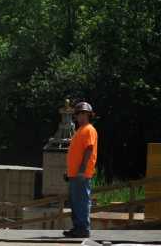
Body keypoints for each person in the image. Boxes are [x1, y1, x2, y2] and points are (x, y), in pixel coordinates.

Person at [63, 101, 98, 239]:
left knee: (82, 201)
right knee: (75, 202)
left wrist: (82, 169)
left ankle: (83, 229)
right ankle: (77, 228)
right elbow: (76, 153)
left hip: (81, 173)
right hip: (75, 174)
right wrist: (70, 172)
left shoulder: (89, 129)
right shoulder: (79, 131)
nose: (81, 116)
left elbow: (89, 149)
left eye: (84, 113)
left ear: (89, 115)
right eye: (79, 114)